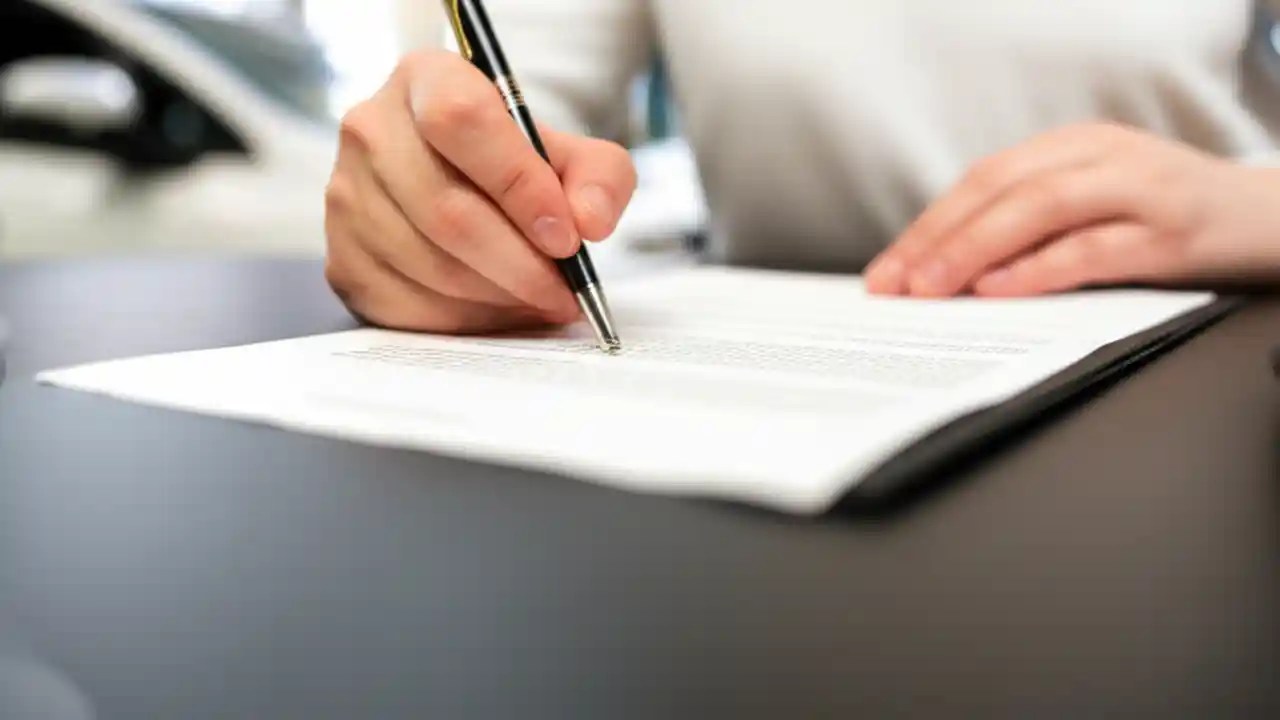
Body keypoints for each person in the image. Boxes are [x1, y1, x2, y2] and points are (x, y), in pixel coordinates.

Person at [323, 1, 1280, 333]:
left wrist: (1260, 206)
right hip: (761, 423)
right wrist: (434, 195)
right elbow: (516, 102)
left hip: (1215, 363)